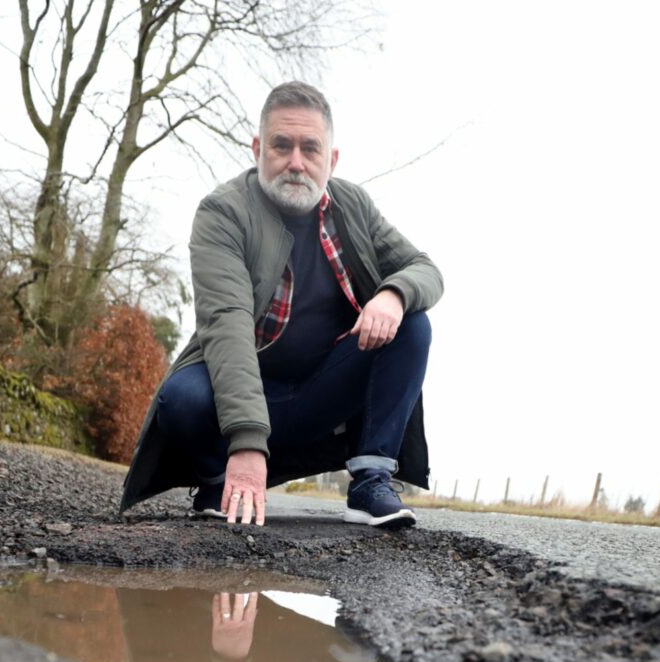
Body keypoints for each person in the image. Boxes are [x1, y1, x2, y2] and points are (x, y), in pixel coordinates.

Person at [118, 81, 443, 528]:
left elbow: (424, 268)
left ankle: (370, 481)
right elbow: (228, 324)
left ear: (331, 160)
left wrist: (392, 294)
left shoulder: (354, 206)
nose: (296, 162)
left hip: (322, 394)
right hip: (242, 396)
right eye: (281, 145)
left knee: (412, 323)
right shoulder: (223, 213)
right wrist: (247, 442)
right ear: (257, 149)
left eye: (310, 149)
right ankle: (218, 479)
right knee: (181, 398)